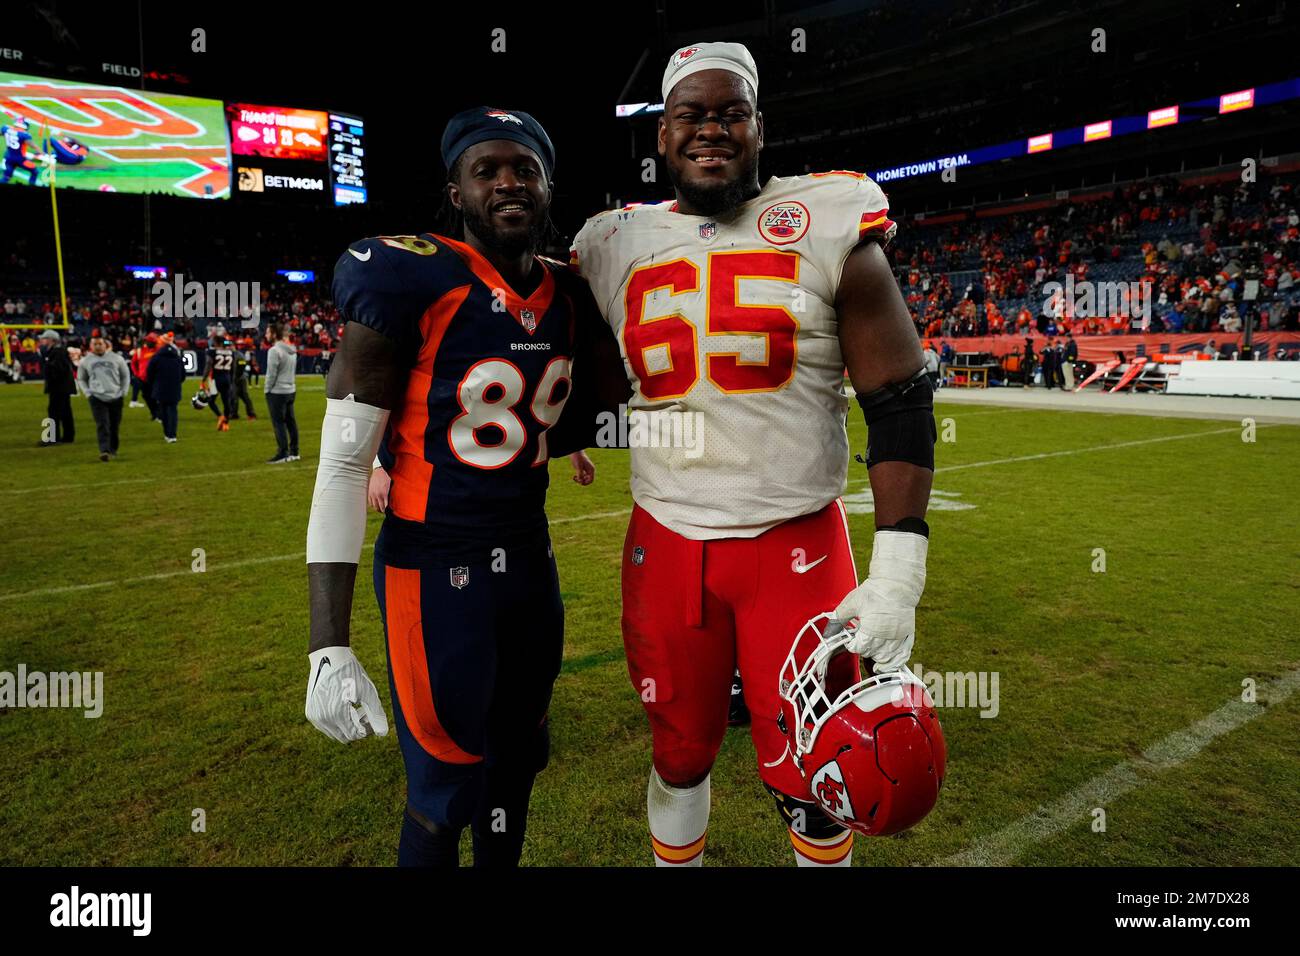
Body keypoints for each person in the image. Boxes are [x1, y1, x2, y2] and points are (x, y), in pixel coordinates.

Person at [571, 42, 937, 867]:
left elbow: (901, 398)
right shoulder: (611, 243)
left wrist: (899, 574)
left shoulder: (829, 217)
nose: (712, 130)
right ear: (661, 136)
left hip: (797, 544)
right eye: (691, 115)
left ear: (760, 127)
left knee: (822, 762)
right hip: (666, 541)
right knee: (679, 750)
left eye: (731, 113)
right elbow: (539, 359)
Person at [304, 107, 621, 869]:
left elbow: (591, 416)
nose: (509, 182)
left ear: (548, 187)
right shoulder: (414, 278)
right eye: (488, 170)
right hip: (433, 565)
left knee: (517, 761)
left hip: (528, 559)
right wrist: (326, 647)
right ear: (456, 192)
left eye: (525, 169)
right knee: (445, 786)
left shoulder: (573, 297)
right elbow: (345, 467)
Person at [77, 335, 130, 460]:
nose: (98, 346)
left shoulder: (117, 358)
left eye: (100, 344)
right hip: (97, 397)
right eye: (95, 344)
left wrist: (123, 391)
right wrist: (88, 393)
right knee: (102, 424)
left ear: (105, 345)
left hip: (116, 395)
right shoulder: (86, 361)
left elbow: (125, 376)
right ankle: (104, 450)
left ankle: (113, 449)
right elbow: (81, 378)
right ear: (91, 346)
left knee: (114, 425)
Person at [263, 321, 299, 463]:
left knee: (278, 423)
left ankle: (283, 452)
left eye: (267, 332)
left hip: (277, 392)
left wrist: (267, 389)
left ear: (273, 334)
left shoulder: (274, 351)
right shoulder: (292, 349)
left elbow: (271, 374)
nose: (266, 334)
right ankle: (294, 452)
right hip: (291, 390)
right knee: (291, 422)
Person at [38, 329, 76, 445]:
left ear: (51, 340)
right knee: (65, 411)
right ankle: (68, 436)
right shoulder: (58, 352)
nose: (42, 341)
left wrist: (48, 368)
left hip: (58, 387)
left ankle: (53, 438)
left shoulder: (57, 352)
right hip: (62, 387)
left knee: (54, 411)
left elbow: (57, 370)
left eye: (44, 338)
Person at [146, 331, 185, 442]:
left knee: (163, 411)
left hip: (160, 388)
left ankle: (167, 433)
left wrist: (153, 385)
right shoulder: (177, 357)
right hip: (174, 388)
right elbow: (183, 375)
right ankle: (172, 435)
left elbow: (150, 375)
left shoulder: (156, 358)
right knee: (173, 411)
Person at [128, 332, 159, 416]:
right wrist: (136, 373)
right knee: (147, 397)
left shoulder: (158, 350)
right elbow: (133, 363)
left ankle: (156, 413)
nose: (150, 343)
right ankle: (154, 413)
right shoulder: (140, 351)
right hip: (143, 378)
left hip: (155, 378)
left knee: (155, 397)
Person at [230, 344, 258, 420]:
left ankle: (249, 413)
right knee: (235, 397)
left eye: (230, 346)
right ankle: (234, 413)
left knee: (241, 396)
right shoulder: (232, 355)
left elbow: (242, 366)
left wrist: (236, 377)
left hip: (239, 379)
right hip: (236, 378)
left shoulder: (239, 355)